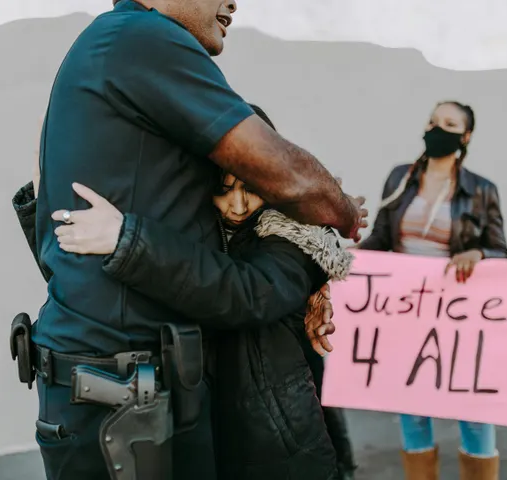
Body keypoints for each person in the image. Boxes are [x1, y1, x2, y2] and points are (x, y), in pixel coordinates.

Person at [22, 0, 368, 477]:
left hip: (136, 389)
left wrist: (315, 273)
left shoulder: (118, 47)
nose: (233, 2)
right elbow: (288, 177)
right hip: (120, 396)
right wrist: (345, 213)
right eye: (226, 187)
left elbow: (245, 279)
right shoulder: (140, 37)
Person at [357, 101, 507, 480]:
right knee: (413, 408)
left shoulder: (482, 190)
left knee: (473, 412)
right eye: (432, 121)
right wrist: (353, 258)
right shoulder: (399, 178)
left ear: (466, 135)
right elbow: (381, 235)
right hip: (408, 311)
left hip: (460, 314)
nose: (436, 128)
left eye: (449, 124)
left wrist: (477, 253)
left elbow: (499, 250)